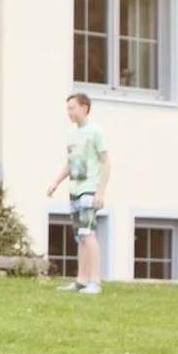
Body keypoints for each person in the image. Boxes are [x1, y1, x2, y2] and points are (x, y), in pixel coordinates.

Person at [44, 92, 112, 295]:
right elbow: (72, 163)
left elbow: (106, 162)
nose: (69, 112)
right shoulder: (72, 134)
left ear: (84, 107)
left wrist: (100, 192)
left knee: (88, 233)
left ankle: (95, 282)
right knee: (80, 236)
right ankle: (81, 281)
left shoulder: (95, 132)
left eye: (72, 108)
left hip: (89, 190)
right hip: (75, 190)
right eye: (67, 109)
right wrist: (56, 181)